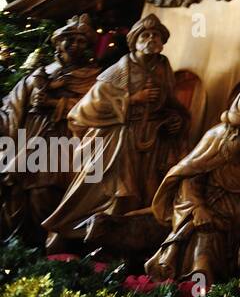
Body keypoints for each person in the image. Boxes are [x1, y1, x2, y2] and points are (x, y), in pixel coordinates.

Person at [43, 15, 190, 247]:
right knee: (107, 190)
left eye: (156, 35)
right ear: (134, 41)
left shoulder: (163, 67)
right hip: (117, 139)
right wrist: (132, 99)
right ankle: (75, 233)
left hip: (151, 140)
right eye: (145, 35)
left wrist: (175, 119)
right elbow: (87, 108)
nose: (151, 39)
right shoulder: (119, 71)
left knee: (142, 193)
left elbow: (172, 104)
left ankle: (124, 241)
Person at [144, 85, 240, 284]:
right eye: (237, 130)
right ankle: (199, 285)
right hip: (213, 203)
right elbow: (190, 174)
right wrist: (198, 208)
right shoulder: (216, 139)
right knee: (205, 238)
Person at [0, 15, 100, 243]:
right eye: (69, 39)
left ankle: (47, 245)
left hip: (65, 141)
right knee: (19, 191)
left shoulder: (92, 78)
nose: (75, 44)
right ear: (58, 42)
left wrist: (56, 104)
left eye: (81, 41)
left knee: (44, 190)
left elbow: (95, 108)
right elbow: (12, 107)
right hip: (31, 137)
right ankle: (23, 247)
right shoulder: (39, 74)